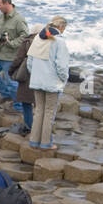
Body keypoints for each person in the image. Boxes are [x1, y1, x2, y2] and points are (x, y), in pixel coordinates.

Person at [27, 16, 70, 148]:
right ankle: (46, 143)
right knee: (49, 112)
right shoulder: (59, 42)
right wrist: (63, 79)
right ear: (61, 27)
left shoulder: (38, 38)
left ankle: (34, 140)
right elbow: (61, 66)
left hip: (37, 81)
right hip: (52, 83)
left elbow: (30, 62)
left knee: (39, 110)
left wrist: (35, 75)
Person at [8, 30, 36, 135]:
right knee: (39, 106)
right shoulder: (46, 43)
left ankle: (28, 127)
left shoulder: (27, 42)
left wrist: (11, 70)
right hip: (41, 77)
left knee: (26, 103)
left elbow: (18, 58)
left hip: (26, 76)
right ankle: (38, 129)